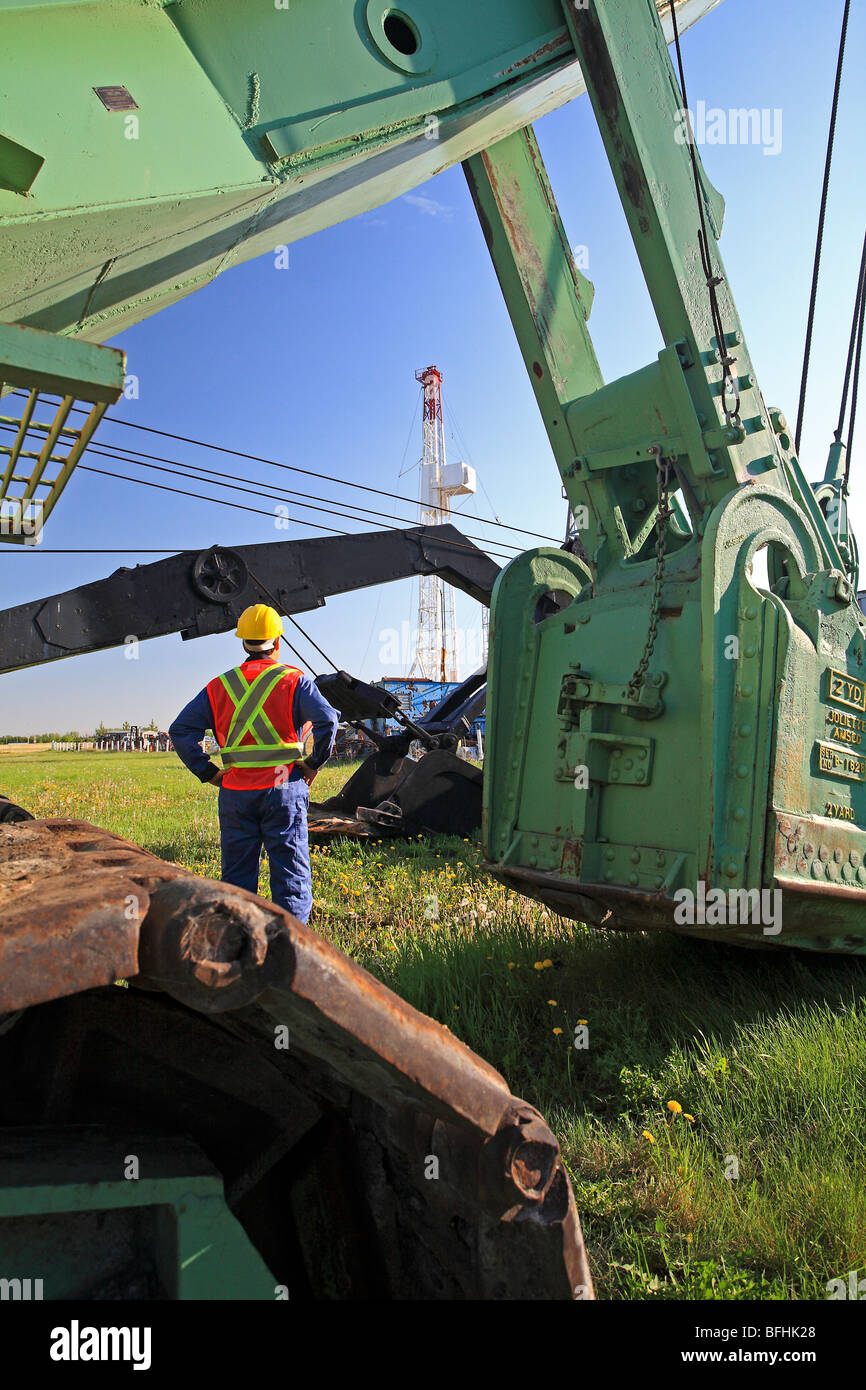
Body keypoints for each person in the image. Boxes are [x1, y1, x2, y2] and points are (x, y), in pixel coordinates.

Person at [169, 604, 339, 924]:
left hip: (235, 792)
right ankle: (289, 948)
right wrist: (314, 763)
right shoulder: (294, 681)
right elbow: (328, 718)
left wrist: (209, 772)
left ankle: (239, 942)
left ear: (243, 642)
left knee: (236, 877)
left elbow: (180, 731)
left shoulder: (219, 686)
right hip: (283, 789)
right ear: (277, 642)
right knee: (290, 875)